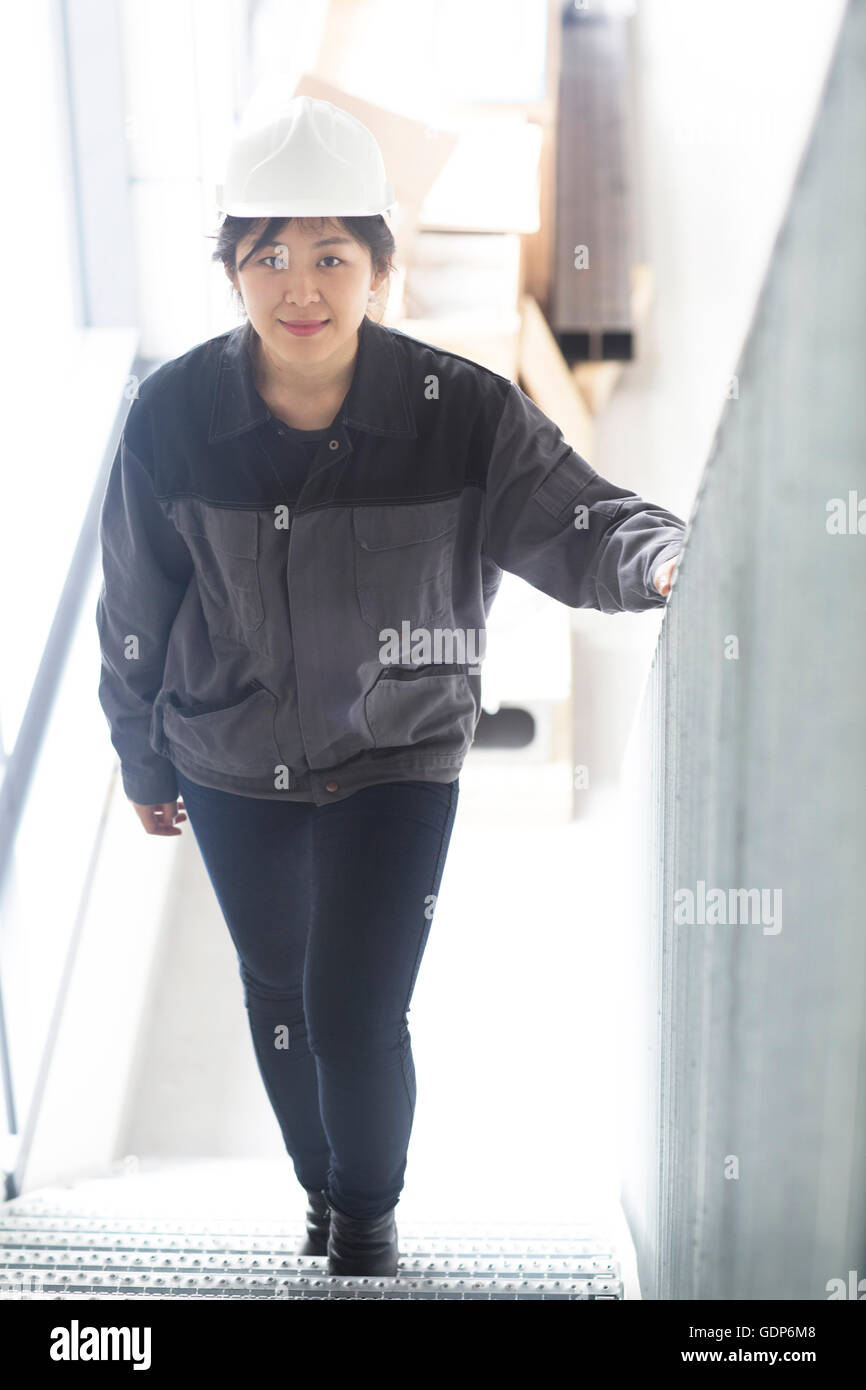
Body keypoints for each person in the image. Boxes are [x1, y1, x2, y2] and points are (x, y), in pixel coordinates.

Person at [95, 96, 686, 1280]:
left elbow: (580, 519)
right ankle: (321, 1193)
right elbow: (134, 605)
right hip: (229, 751)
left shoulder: (455, 411)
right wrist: (142, 756)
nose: (300, 285)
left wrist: (664, 560)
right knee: (279, 998)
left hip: (394, 753)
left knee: (356, 1008)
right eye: (269, 255)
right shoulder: (172, 416)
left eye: (330, 253)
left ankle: (364, 1225)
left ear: (376, 264)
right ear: (232, 268)